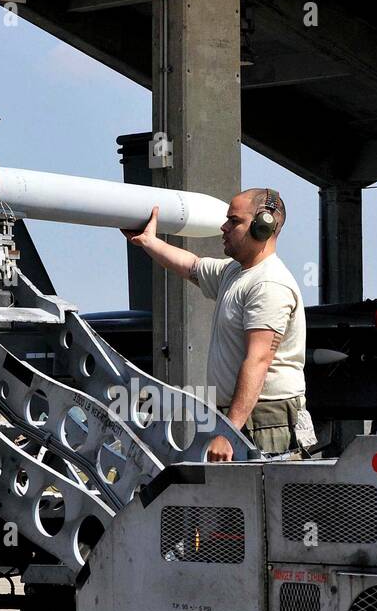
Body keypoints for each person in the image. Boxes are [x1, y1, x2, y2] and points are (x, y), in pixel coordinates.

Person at [121, 188, 310, 461]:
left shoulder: (268, 285)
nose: (224, 227)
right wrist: (149, 242)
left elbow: (258, 361)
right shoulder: (235, 272)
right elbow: (192, 266)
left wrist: (229, 433)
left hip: (264, 420)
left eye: (234, 221)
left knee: (261, 501)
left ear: (262, 227)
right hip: (243, 417)